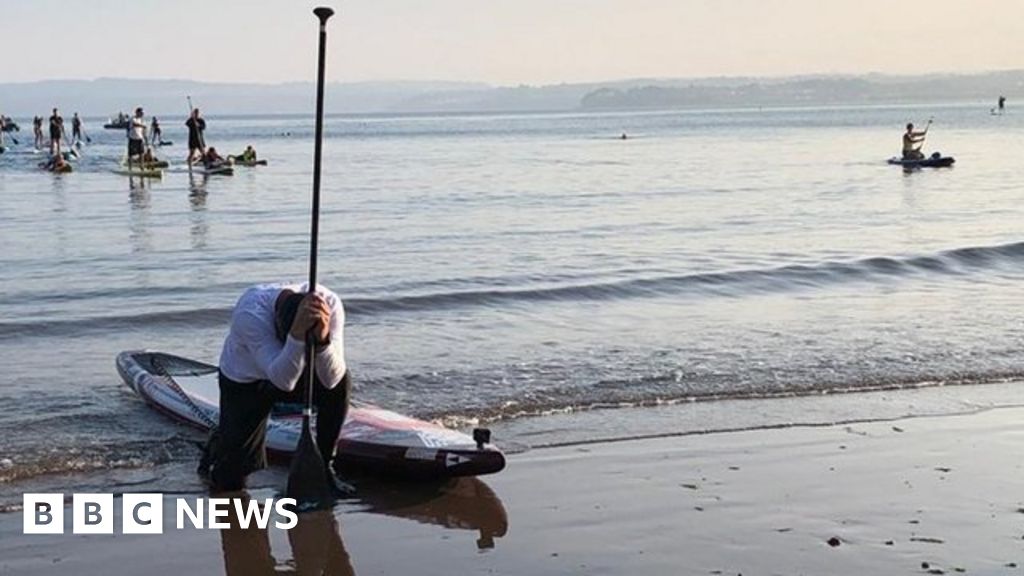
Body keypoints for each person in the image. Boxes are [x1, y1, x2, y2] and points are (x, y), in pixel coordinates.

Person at [200, 283, 354, 496]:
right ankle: (220, 443)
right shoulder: (250, 314)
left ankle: (325, 465)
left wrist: (323, 341)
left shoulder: (329, 304)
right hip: (247, 380)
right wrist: (297, 336)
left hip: (292, 370)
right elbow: (282, 380)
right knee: (231, 481)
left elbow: (331, 380)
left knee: (341, 382)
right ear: (278, 327)